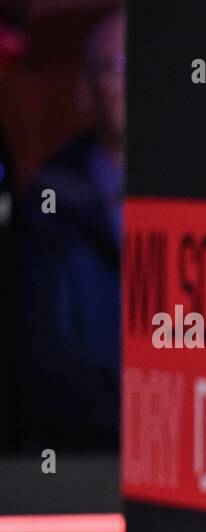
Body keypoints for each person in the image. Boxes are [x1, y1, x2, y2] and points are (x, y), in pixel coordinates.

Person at [17, 6, 124, 452]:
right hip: (80, 455)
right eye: (115, 68)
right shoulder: (49, 203)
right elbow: (41, 362)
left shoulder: (204, 195)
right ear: (85, 90)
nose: (130, 84)